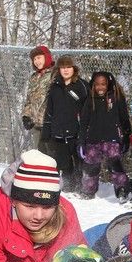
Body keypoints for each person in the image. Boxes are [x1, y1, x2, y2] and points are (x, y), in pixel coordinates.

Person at [77, 71, 132, 202]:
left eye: (103, 84)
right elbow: (84, 122)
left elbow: (124, 118)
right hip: (93, 139)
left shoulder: (116, 98)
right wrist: (81, 141)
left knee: (115, 164)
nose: (100, 87)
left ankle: (122, 189)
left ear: (108, 84)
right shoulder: (90, 100)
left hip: (112, 139)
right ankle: (88, 190)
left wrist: (126, 136)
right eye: (97, 84)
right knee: (91, 165)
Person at [41, 56, 88, 192]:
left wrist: (85, 131)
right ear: (59, 70)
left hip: (76, 131)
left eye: (68, 67)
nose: (66, 70)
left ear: (74, 69)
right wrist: (47, 129)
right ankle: (67, 186)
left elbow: (88, 110)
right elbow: (49, 110)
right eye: (63, 67)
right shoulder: (55, 86)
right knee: (63, 162)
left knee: (79, 161)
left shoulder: (82, 86)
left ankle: (80, 185)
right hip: (58, 132)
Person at [22, 45, 55, 152]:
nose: (36, 61)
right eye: (34, 59)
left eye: (39, 58)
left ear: (47, 57)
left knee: (51, 156)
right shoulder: (34, 77)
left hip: (50, 124)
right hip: (36, 124)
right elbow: (29, 98)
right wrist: (26, 115)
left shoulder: (55, 74)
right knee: (39, 154)